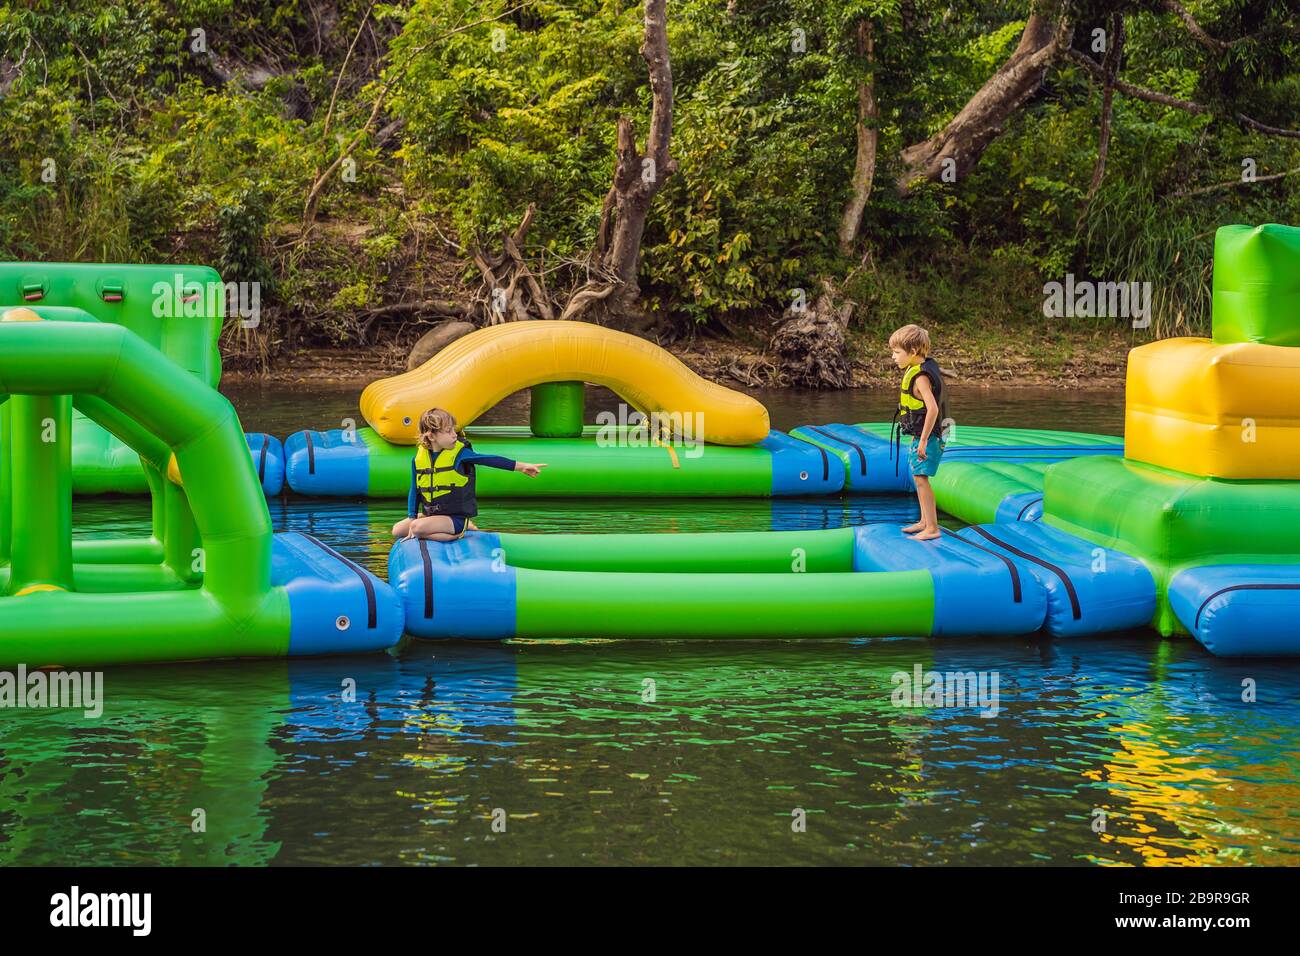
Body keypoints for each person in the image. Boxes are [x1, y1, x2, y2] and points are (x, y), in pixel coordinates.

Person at [391, 408, 546, 542]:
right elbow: (415, 489)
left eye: (454, 430)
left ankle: (459, 531)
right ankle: (429, 528)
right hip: (432, 516)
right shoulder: (418, 459)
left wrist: (522, 466)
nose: (454, 435)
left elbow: (489, 459)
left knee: (417, 528)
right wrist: (412, 517)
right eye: (448, 431)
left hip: (455, 519)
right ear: (432, 436)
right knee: (397, 530)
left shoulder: (460, 454)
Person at [889, 324, 947, 541]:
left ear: (913, 352)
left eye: (896, 352)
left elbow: (933, 409)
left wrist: (923, 441)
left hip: (929, 436)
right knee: (918, 476)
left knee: (921, 478)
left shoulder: (921, 377)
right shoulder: (917, 369)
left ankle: (932, 528)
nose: (893, 357)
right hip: (924, 434)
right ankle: (924, 521)